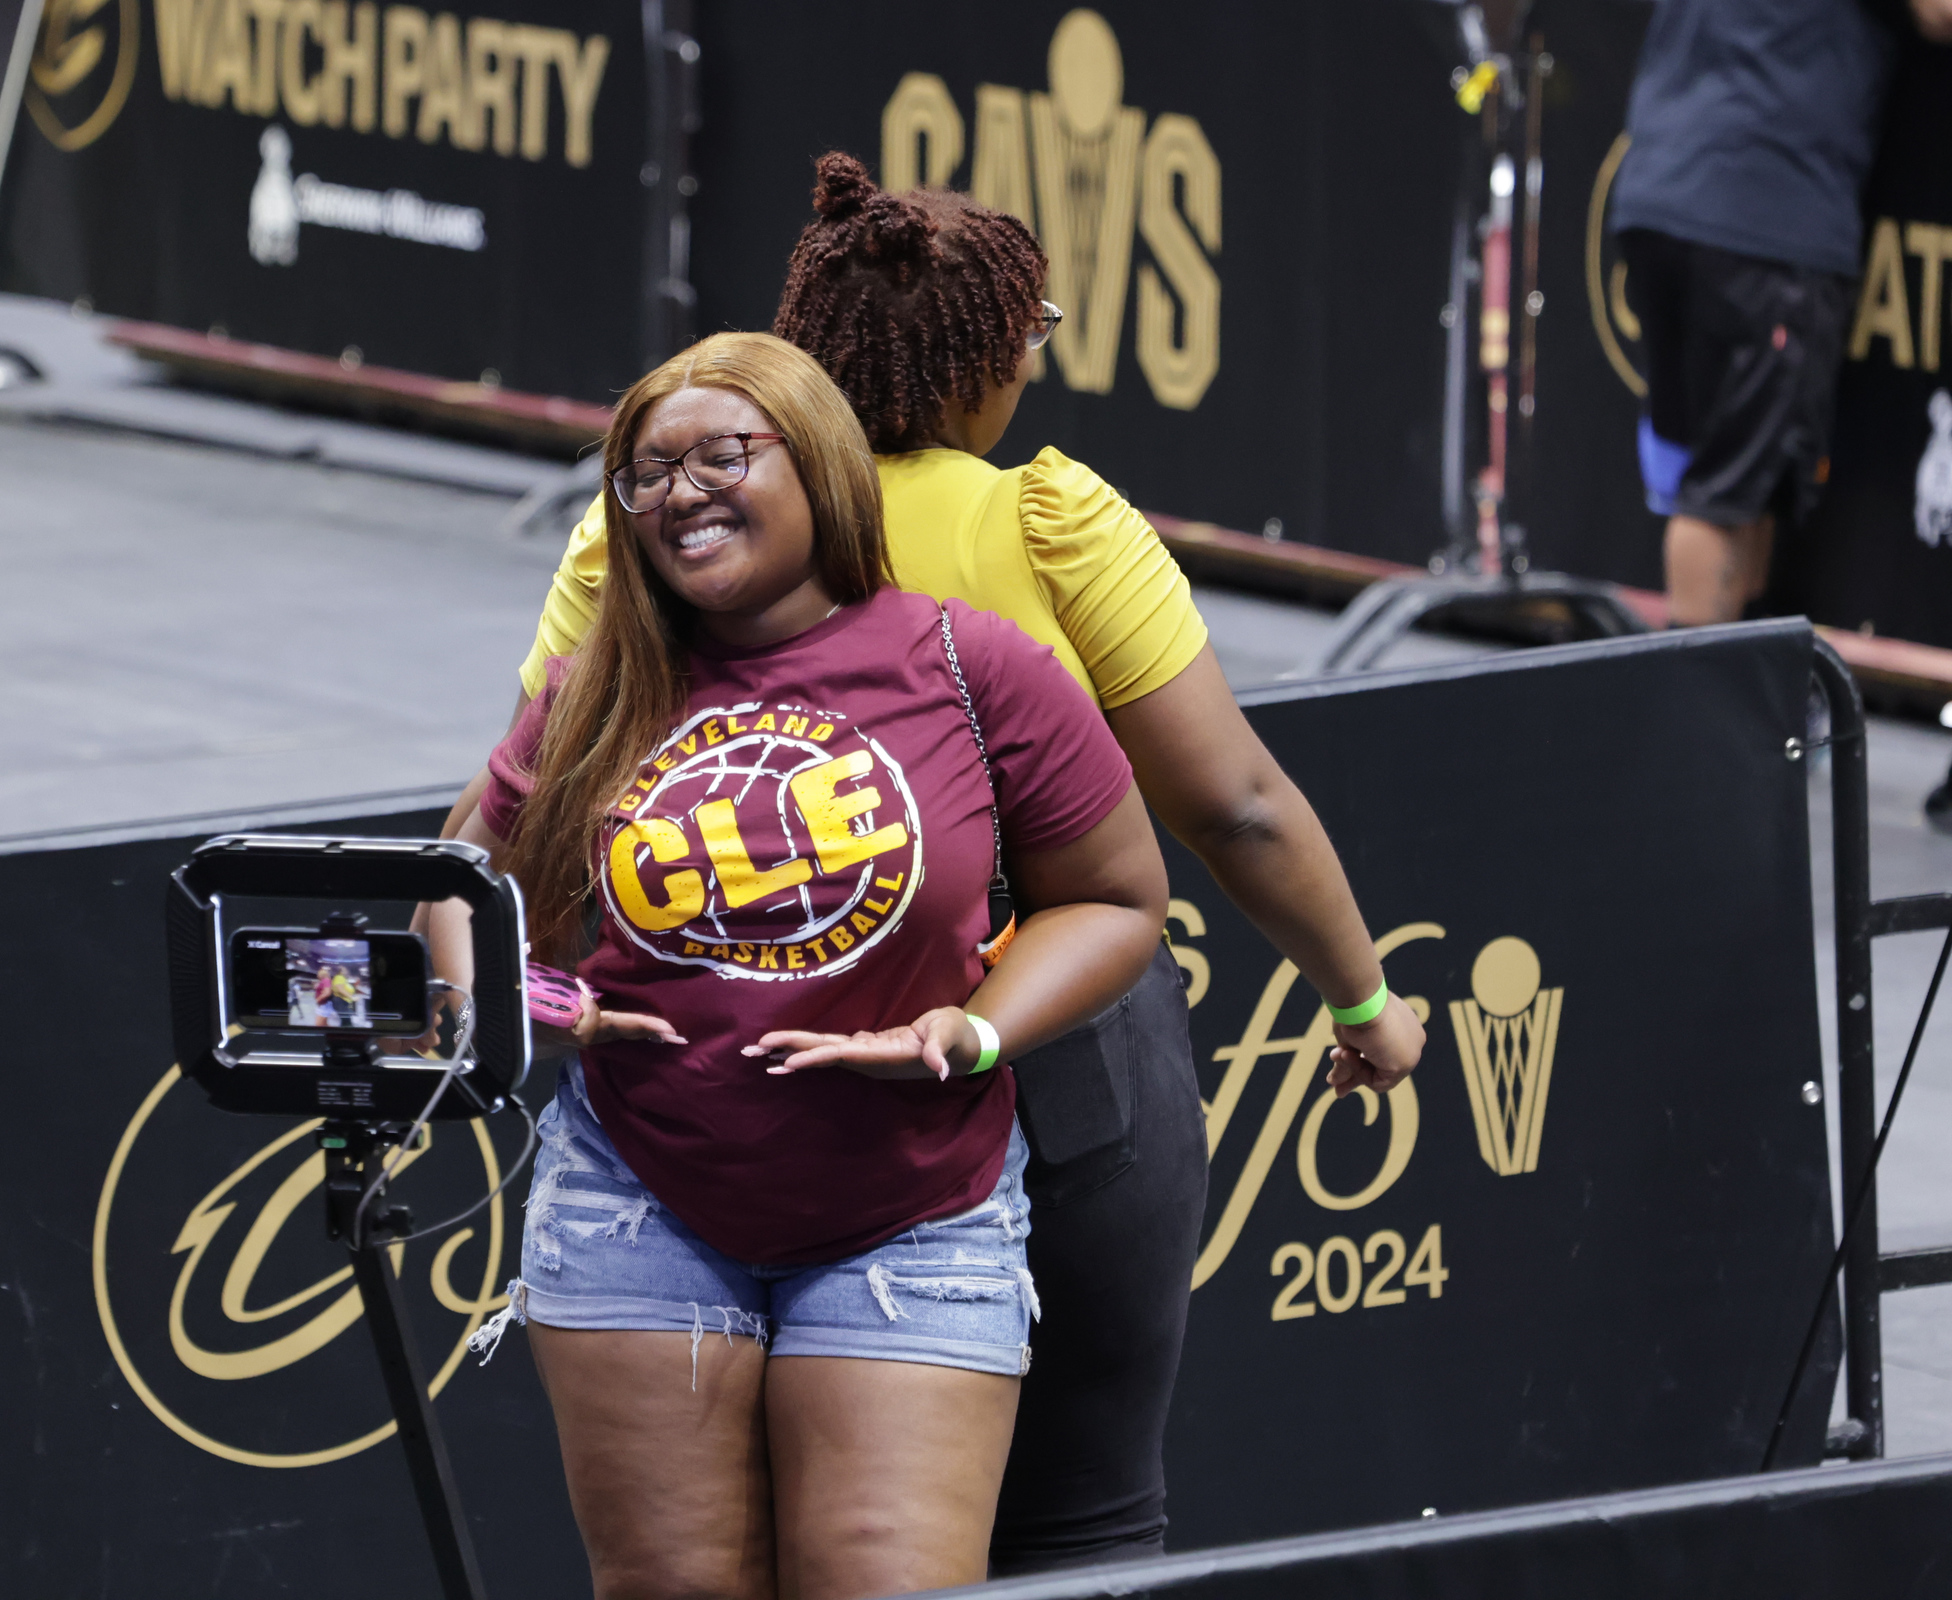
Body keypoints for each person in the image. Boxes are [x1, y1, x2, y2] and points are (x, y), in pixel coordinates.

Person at [445, 153, 1426, 1571]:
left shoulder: (647, 529)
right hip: (1059, 1048)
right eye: (1034, 337)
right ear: (988, 359)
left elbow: (532, 817)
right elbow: (1240, 811)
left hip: (716, 1054)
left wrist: (546, 997)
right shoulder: (1048, 518)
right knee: (1081, 1520)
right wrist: (1359, 1005)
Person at [442, 329, 1171, 1598]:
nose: (681, 491)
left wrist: (971, 1032)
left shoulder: (969, 661)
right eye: (647, 473)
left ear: (823, 465)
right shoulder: (595, 685)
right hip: (639, 1203)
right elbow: (458, 898)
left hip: (915, 1218)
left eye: (722, 454)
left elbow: (1117, 897)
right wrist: (541, 1004)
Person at [1612, 0, 1952, 626]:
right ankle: (1695, 713)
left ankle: (1740, 704)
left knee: (1743, 485)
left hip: (1659, 197)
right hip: (1761, 217)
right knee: (1722, 495)